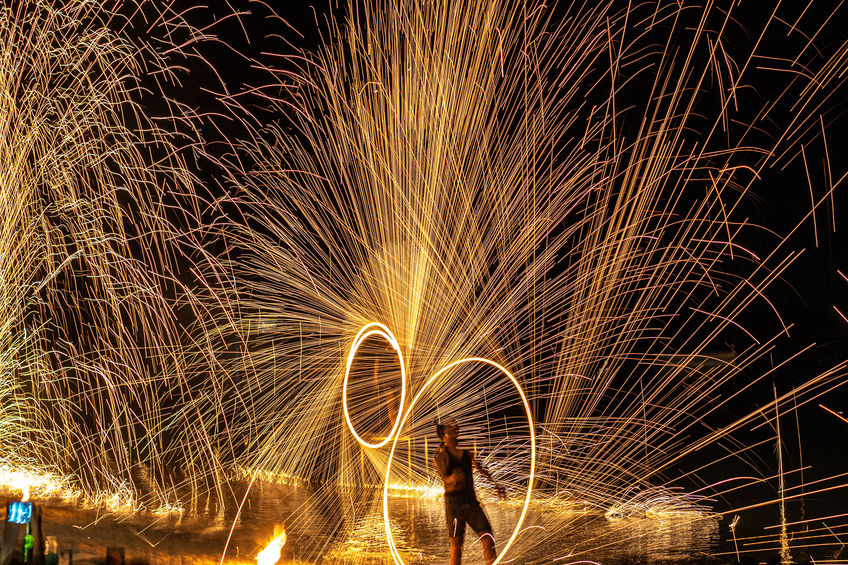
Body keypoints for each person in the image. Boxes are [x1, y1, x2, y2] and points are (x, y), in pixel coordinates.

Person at [433, 418, 506, 565]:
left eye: (456, 425)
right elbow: (444, 478)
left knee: (487, 537)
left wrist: (496, 485)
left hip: (471, 502)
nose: (455, 427)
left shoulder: (466, 452)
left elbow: (481, 469)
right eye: (451, 426)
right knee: (457, 544)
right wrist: (453, 478)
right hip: (454, 504)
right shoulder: (440, 455)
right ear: (443, 433)